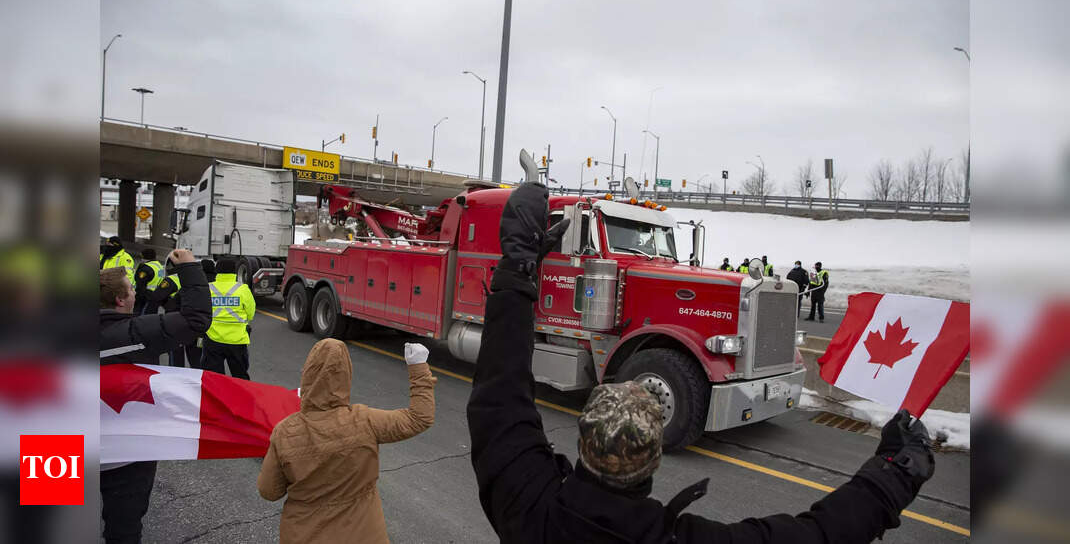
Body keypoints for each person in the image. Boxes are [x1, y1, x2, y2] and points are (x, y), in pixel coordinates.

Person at [467, 181, 934, 543]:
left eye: (654, 241)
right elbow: (821, 534)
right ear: (652, 460)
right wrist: (895, 471)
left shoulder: (526, 504)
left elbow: (498, 398)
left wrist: (517, 270)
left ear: (584, 439)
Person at [258, 338, 436, 543]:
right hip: (365, 534)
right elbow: (419, 418)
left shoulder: (284, 432)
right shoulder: (366, 421)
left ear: (307, 374)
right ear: (346, 375)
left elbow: (269, 491)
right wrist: (418, 366)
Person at [99, 248, 211, 544]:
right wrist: (189, 266)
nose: (136, 293)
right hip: (126, 453)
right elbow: (195, 320)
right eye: (131, 289)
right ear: (121, 300)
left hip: (52, 447)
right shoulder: (135, 333)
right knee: (123, 529)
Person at [202, 257, 256, 379]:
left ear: (217, 271)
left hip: (213, 338)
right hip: (237, 340)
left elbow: (202, 311)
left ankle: (218, 398)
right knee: (240, 377)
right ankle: (241, 398)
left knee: (214, 378)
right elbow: (251, 313)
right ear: (235, 272)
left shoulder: (208, 288)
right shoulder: (243, 289)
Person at [132, 248, 165, 315]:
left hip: (145, 298)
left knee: (139, 317)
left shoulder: (146, 269)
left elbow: (140, 286)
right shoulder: (160, 266)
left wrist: (136, 299)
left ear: (144, 257)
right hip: (156, 296)